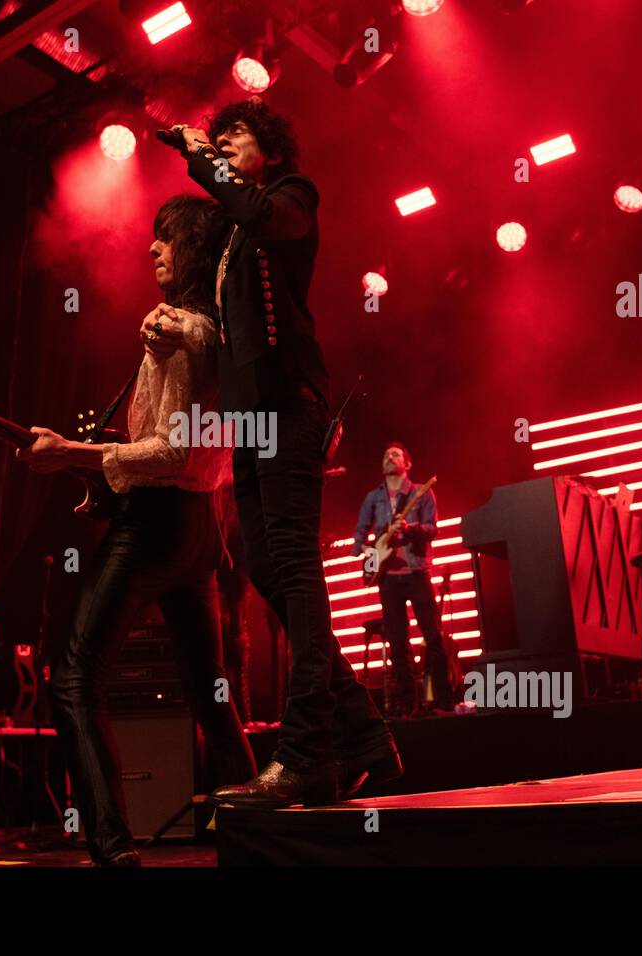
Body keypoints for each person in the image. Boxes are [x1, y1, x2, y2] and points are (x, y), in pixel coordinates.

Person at [148, 99, 401, 807]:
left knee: (292, 562)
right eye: (220, 135)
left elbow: (261, 215)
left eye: (238, 136)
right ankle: (366, 736)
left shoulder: (291, 199)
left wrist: (203, 160)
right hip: (248, 416)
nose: (225, 144)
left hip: (289, 399)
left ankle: (303, 756)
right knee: (265, 567)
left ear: (273, 150)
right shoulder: (231, 227)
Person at [16, 194, 255, 865]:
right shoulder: (229, 330)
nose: (152, 250)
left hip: (156, 524)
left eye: (165, 239)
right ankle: (267, 836)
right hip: (202, 529)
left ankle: (112, 847)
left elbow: (168, 454)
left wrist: (71, 455)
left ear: (192, 252)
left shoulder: (174, 329)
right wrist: (102, 478)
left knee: (71, 678)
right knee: (211, 690)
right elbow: (191, 449)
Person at [354, 442, 461, 715]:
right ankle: (408, 704)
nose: (390, 457)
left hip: (416, 572)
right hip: (388, 577)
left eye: (396, 454)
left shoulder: (421, 494)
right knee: (398, 643)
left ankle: (443, 700)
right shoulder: (372, 498)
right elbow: (358, 540)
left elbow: (432, 529)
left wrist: (411, 528)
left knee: (433, 637)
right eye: (386, 454)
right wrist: (373, 552)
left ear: (408, 464)